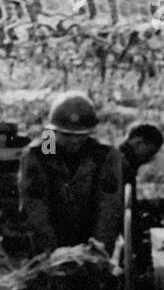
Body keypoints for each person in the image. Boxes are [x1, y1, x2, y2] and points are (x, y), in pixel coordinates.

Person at [19, 92, 124, 254]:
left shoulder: (104, 154)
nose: (74, 141)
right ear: (53, 131)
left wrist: (99, 247)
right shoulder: (41, 151)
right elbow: (34, 203)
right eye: (67, 135)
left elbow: (109, 205)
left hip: (89, 238)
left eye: (80, 135)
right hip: (49, 240)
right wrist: (50, 251)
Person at [117, 122, 164, 194]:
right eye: (149, 152)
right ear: (138, 142)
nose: (149, 157)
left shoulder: (124, 160)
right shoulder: (123, 164)